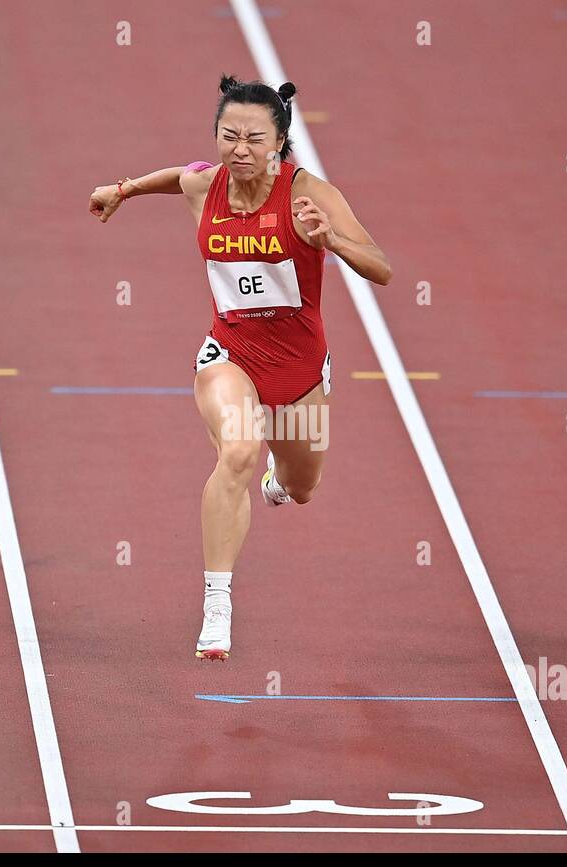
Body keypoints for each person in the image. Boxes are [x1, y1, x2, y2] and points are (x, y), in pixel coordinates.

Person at [88, 76, 391, 659]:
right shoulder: (208, 184)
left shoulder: (312, 195)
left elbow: (381, 267)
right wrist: (121, 190)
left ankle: (282, 482)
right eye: (230, 136)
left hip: (301, 368)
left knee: (303, 487)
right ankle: (218, 606)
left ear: (280, 142)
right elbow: (178, 176)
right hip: (230, 353)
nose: (241, 149)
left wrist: (332, 242)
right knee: (238, 452)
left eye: (255, 138)